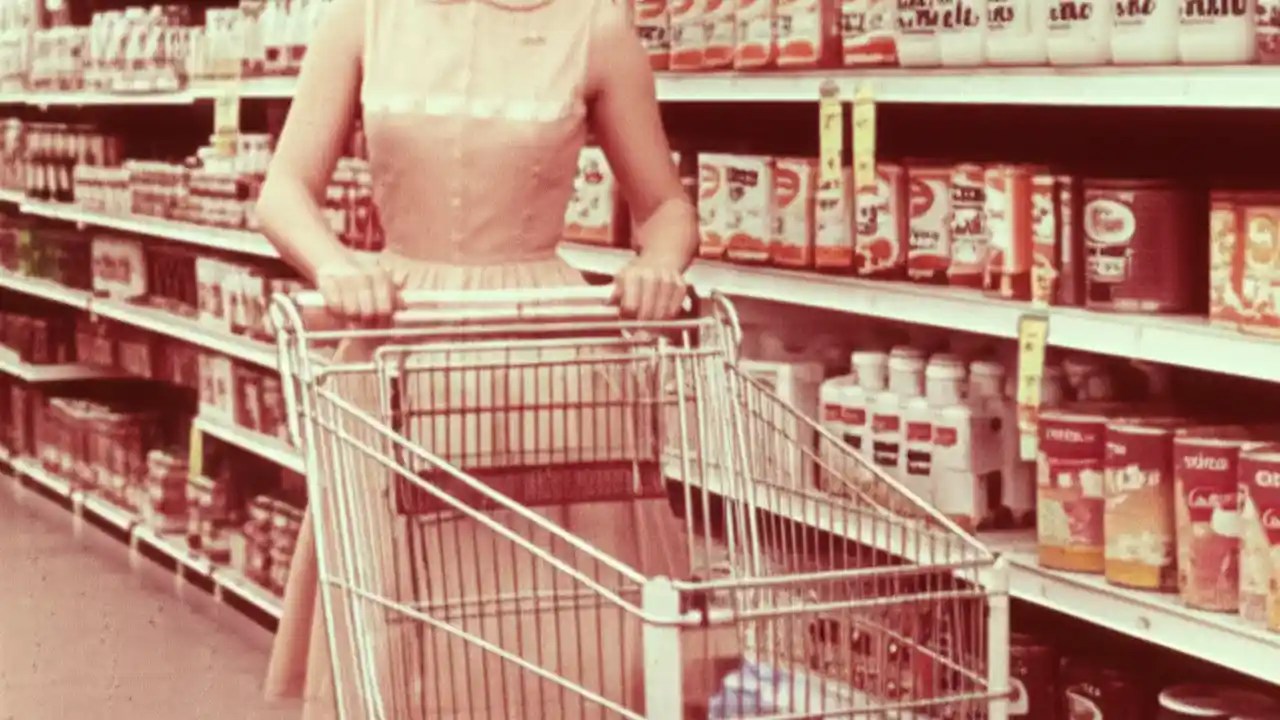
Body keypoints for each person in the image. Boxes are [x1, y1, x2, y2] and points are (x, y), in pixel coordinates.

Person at [255, 0, 700, 717]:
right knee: (401, 618)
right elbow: (283, 191)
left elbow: (666, 206)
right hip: (399, 344)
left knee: (564, 627)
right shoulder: (363, 18)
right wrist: (335, 266)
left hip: (550, 360)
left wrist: (661, 265)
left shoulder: (596, 28)